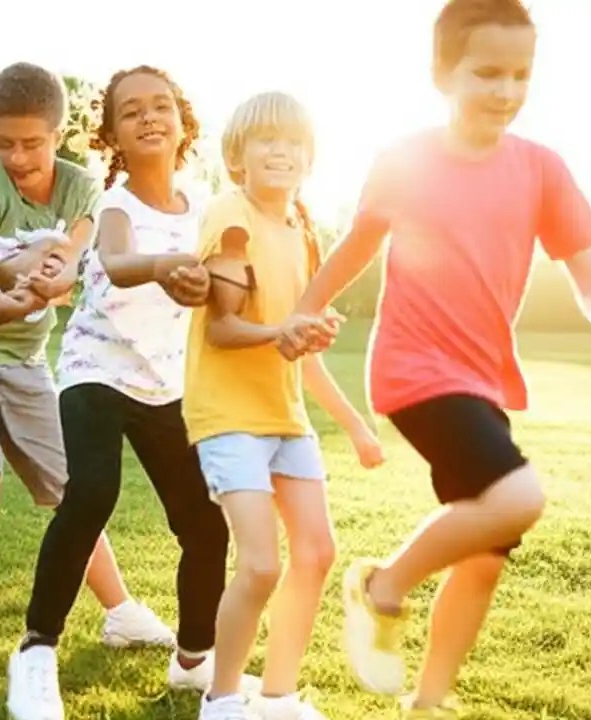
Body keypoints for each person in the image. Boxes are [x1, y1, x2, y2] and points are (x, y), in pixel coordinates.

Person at [287, 1, 591, 714]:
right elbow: (359, 243)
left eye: (520, 75)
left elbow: (588, 265)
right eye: (487, 73)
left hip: (483, 380)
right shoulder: (406, 159)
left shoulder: (542, 167)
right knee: (520, 499)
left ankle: (430, 701)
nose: (505, 91)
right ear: (443, 73)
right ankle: (381, 586)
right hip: (414, 370)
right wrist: (305, 306)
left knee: (485, 553)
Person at [6, 65, 249, 720]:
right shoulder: (116, 202)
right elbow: (115, 262)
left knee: (204, 524)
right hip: (97, 370)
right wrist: (165, 268)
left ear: (183, 121)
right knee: (92, 491)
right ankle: (35, 652)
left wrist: (213, 285)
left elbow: (228, 284)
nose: (149, 117)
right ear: (111, 132)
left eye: (161, 105)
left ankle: (195, 661)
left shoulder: (206, 207)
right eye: (132, 111)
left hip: (166, 382)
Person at [0, 61, 174, 668]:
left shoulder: (84, 189)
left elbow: (71, 266)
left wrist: (42, 276)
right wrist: (20, 263)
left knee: (72, 491)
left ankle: (120, 612)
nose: (17, 156)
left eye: (32, 143)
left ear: (58, 135)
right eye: (5, 142)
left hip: (25, 356)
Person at [189, 91, 386, 720]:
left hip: (286, 419)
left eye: (295, 142)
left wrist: (355, 427)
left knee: (317, 553)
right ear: (237, 155)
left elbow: (301, 348)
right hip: (229, 418)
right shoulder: (230, 213)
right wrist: (281, 333)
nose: (282, 151)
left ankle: (276, 697)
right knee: (259, 563)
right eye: (267, 140)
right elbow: (221, 328)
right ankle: (220, 700)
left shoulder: (303, 232)